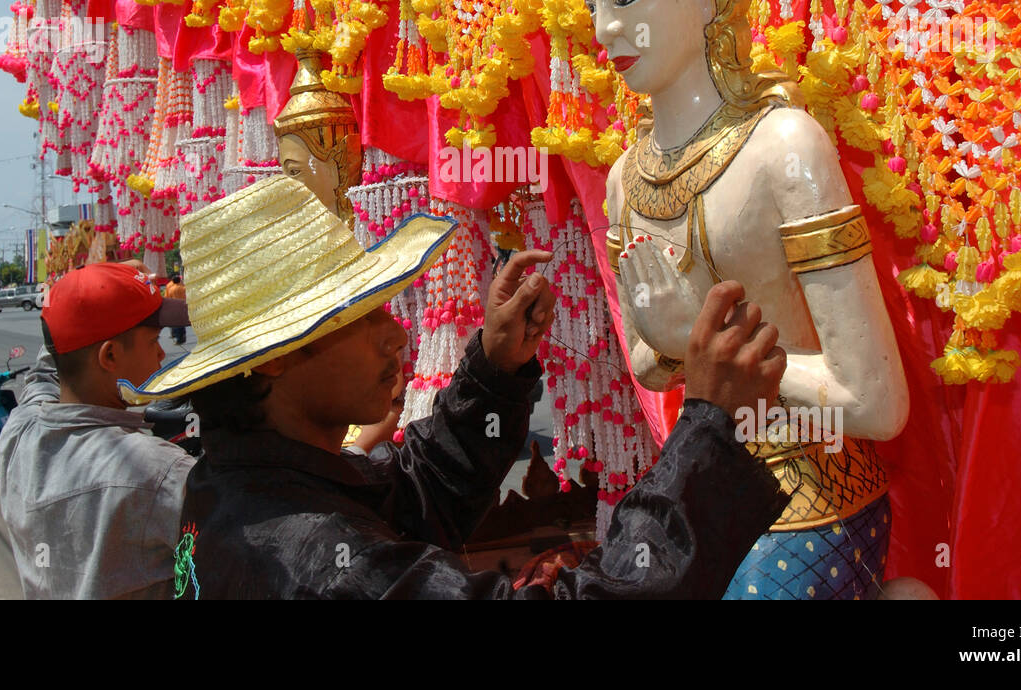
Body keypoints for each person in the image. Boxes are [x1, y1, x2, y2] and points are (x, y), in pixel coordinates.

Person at [120, 176, 790, 599]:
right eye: (362, 319)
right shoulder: (313, 557)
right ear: (269, 362)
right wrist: (705, 428)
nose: (395, 337)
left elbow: (410, 497)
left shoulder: (241, 484)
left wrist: (493, 374)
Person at [0, 261, 195, 599]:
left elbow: (46, 371)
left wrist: (92, 288)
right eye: (152, 341)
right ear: (111, 355)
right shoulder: (158, 471)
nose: (163, 354)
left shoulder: (19, 430)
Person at [164, 274, 187, 346]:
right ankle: (183, 335)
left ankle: (179, 338)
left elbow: (167, 297)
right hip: (183, 305)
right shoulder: (184, 288)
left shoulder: (170, 288)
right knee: (182, 322)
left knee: (176, 323)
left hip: (175, 306)